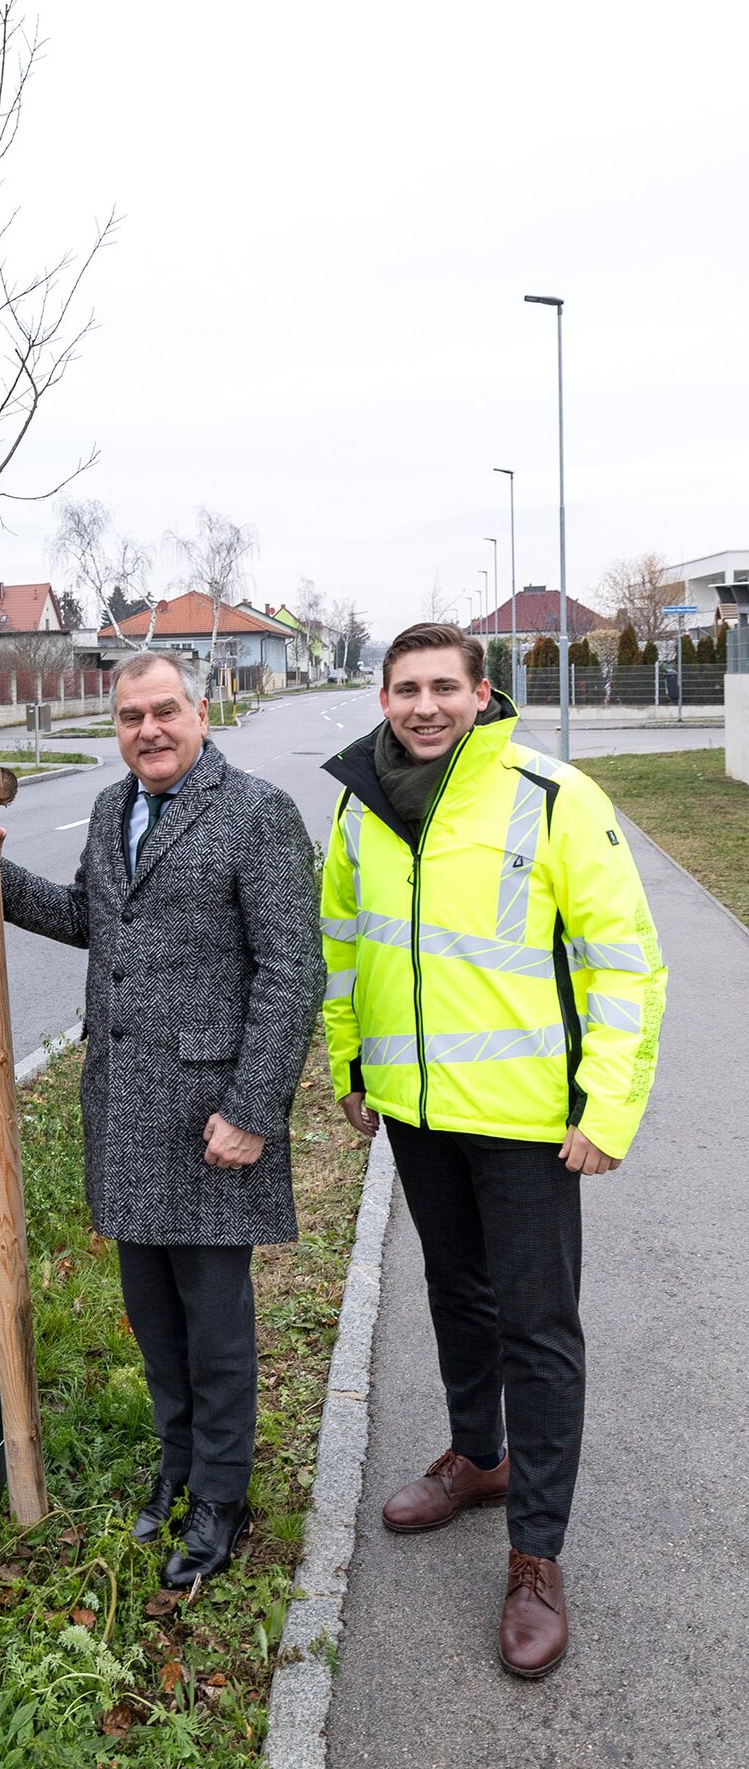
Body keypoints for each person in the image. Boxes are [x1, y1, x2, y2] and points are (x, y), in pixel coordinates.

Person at [321, 622, 666, 1678]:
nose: (423, 705)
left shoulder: (551, 795)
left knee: (538, 1326)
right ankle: (478, 1454)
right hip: (417, 1112)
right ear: (382, 696)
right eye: (404, 688)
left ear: (481, 692)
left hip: (525, 1123)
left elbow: (626, 963)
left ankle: (536, 1553)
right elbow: (342, 942)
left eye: (442, 686)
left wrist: (607, 1109)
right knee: (453, 1291)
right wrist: (352, 1065)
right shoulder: (358, 803)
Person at [0, 652, 322, 1587]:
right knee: (154, 1322)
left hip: (208, 1116)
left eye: (164, 712)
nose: (147, 731)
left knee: (216, 1327)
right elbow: (92, 921)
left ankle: (223, 1503)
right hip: (124, 1105)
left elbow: (292, 973)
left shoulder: (256, 815)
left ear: (201, 713)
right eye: (130, 717)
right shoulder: (116, 809)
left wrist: (251, 1111)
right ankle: (181, 1467)